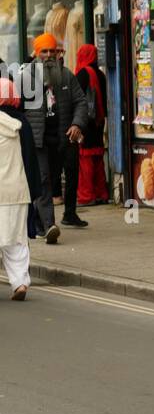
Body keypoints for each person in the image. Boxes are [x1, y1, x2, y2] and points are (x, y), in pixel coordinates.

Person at [21, 33, 88, 241]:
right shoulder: (25, 77)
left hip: (60, 138)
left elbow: (81, 102)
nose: (49, 55)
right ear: (36, 53)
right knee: (43, 180)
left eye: (52, 51)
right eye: (44, 51)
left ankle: (40, 224)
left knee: (53, 178)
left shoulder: (67, 76)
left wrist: (77, 124)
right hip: (37, 139)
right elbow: (16, 107)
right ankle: (50, 225)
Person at [0, 75, 41, 299]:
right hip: (18, 190)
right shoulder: (23, 125)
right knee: (17, 238)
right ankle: (19, 283)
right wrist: (35, 191)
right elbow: (31, 160)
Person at [74, 45, 109, 206]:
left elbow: (77, 98)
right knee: (97, 159)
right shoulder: (101, 74)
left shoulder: (83, 73)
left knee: (85, 159)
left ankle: (86, 195)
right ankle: (101, 193)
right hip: (98, 121)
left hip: (85, 121)